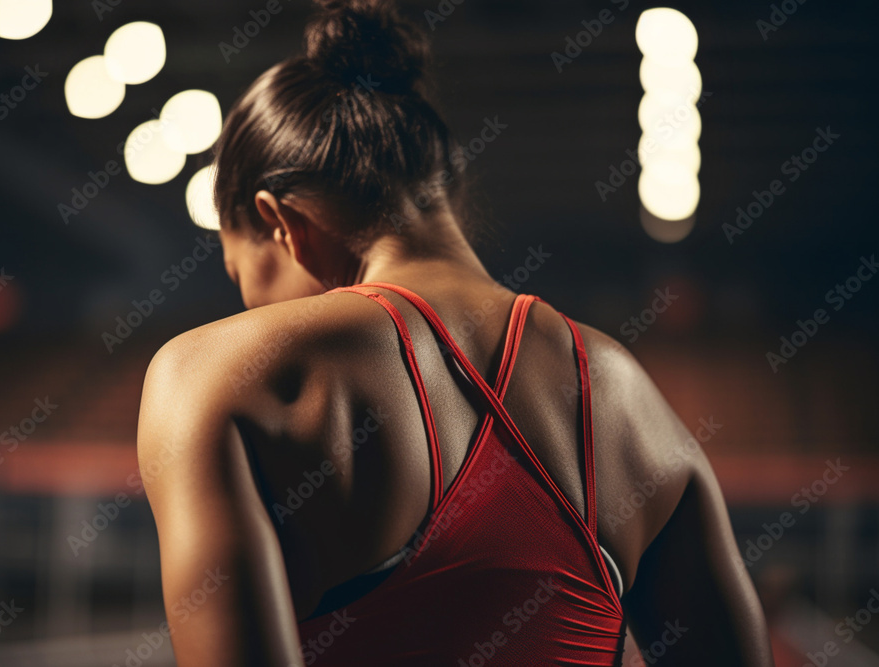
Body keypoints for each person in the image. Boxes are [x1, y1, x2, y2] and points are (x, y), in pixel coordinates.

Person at [137, 1, 774, 664]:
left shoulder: (212, 374)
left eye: (243, 276)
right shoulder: (635, 402)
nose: (252, 311)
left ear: (282, 226)